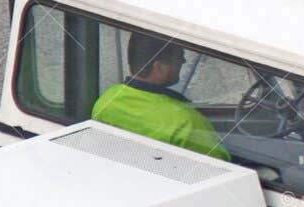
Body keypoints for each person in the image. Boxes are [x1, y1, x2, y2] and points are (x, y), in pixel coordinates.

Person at [92, 32, 230, 160]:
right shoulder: (187, 122)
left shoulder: (106, 100)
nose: (183, 61)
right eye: (179, 58)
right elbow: (221, 167)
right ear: (159, 68)